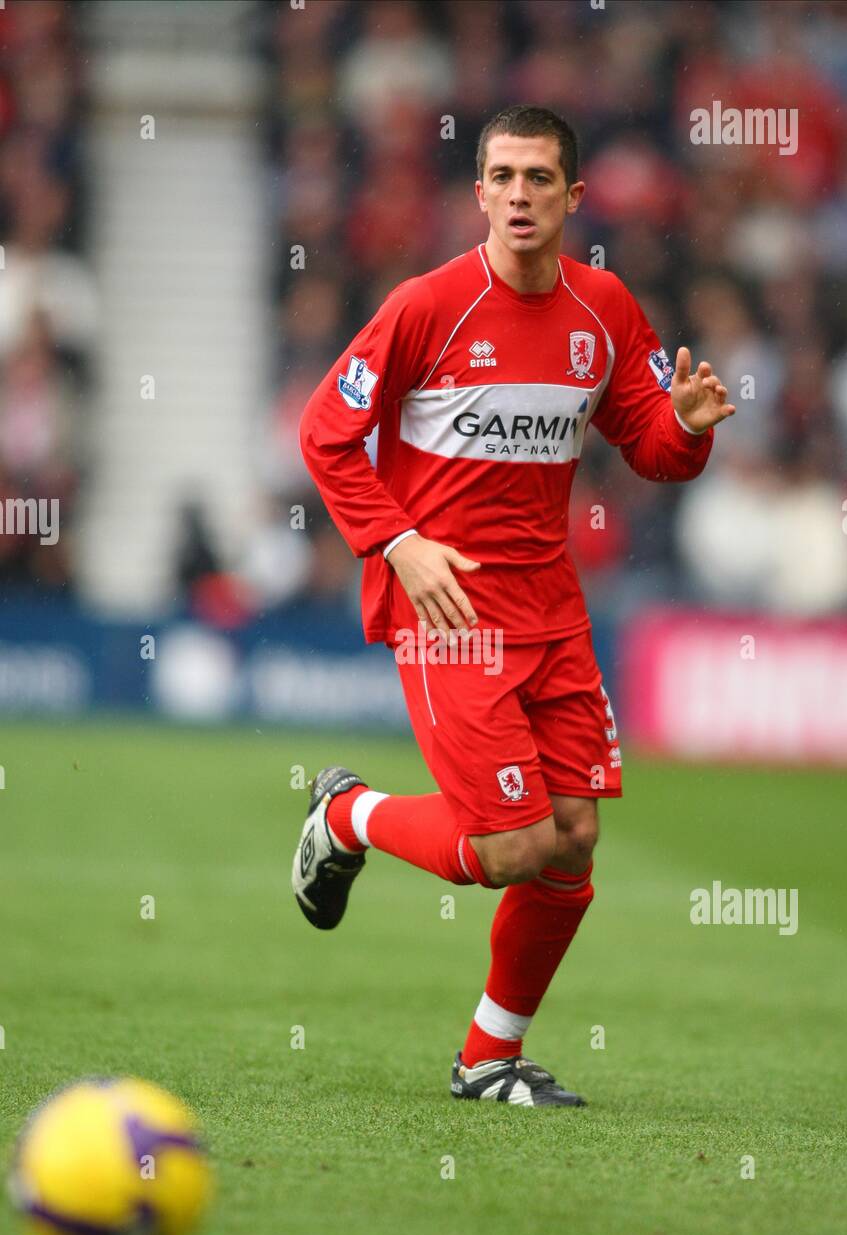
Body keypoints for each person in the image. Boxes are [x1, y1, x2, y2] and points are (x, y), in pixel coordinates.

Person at [295, 105, 734, 1107]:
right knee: (512, 847)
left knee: (573, 839)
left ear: (574, 196)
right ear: (479, 192)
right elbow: (327, 431)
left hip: (553, 610)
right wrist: (399, 545)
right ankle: (346, 814)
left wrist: (692, 426)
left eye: (541, 178)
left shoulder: (605, 310)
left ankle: (490, 1057)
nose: (522, 195)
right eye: (504, 176)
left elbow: (652, 447)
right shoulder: (427, 305)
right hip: (449, 610)